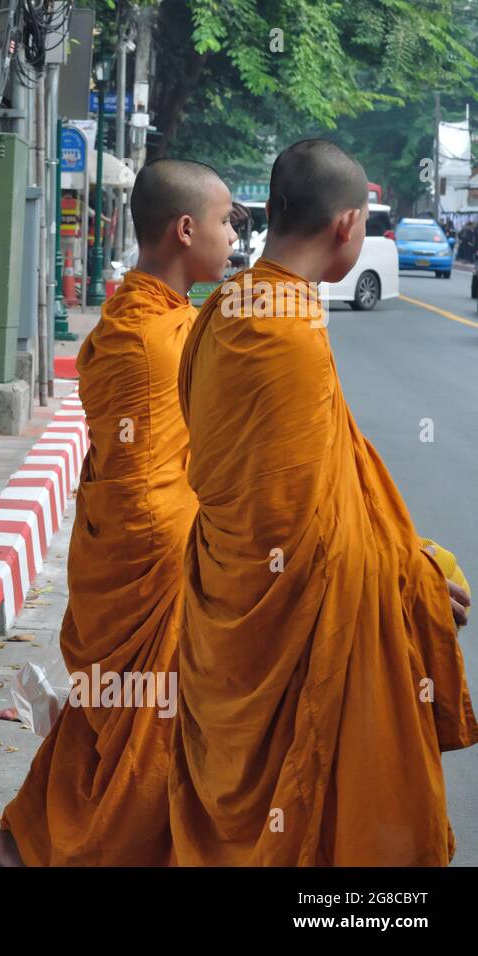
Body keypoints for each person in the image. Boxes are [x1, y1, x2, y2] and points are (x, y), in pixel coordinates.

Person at [172, 139, 477, 865]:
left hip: (226, 595)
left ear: (271, 210)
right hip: (296, 618)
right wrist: (412, 575)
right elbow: (306, 532)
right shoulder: (291, 330)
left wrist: (408, 554)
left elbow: (295, 484)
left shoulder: (228, 306)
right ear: (347, 225)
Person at [0, 160, 236, 866]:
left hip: (120, 537)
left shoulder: (132, 317)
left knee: (122, 713)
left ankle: (26, 836)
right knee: (150, 721)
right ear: (186, 231)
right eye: (225, 222)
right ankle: (75, 849)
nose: (231, 237)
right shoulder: (172, 336)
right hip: (162, 542)